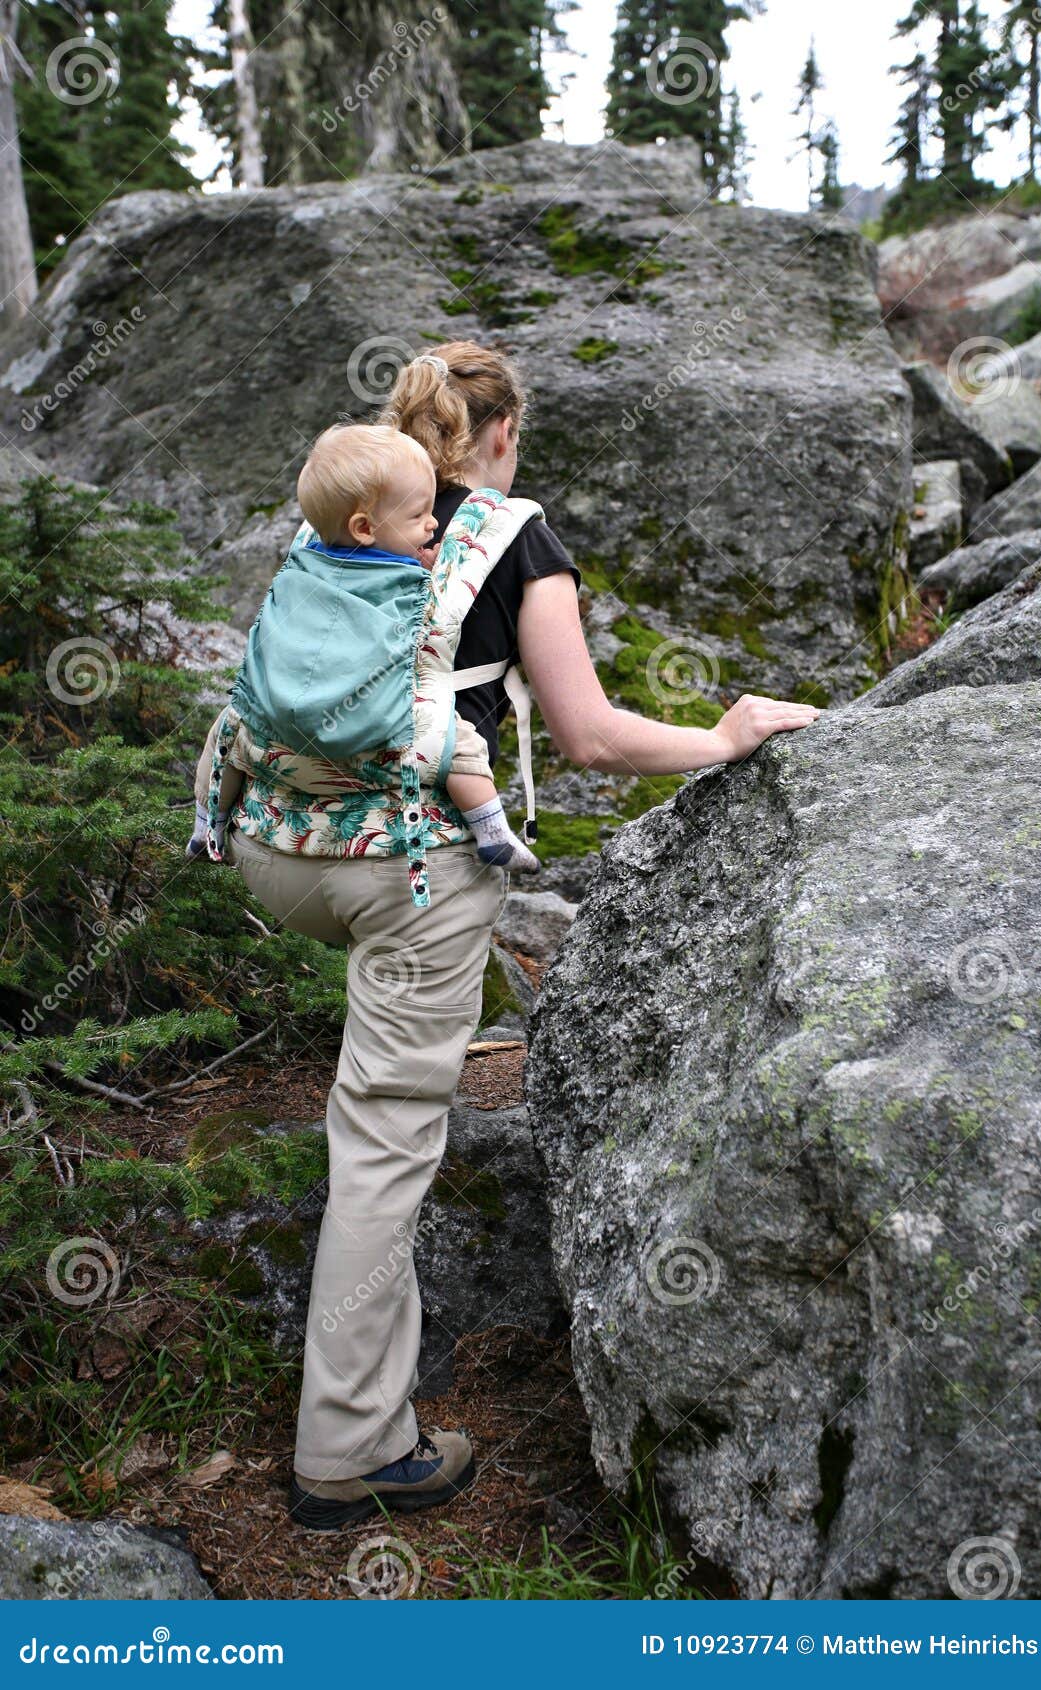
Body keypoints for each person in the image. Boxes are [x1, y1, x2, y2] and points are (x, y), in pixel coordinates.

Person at [211, 339, 820, 1531]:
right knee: (383, 1143)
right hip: (412, 866)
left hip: (276, 849)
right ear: (499, 436)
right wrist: (725, 734)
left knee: (374, 1071)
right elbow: (587, 735)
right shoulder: (515, 534)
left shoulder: (339, 515)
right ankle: (349, 1452)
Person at [187, 421, 539, 874]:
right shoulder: (404, 579)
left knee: (226, 731)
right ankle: (492, 831)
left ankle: (207, 824)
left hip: (284, 703)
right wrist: (426, 567)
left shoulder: (303, 566)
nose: (433, 523)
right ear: (364, 527)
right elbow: (420, 607)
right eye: (418, 516)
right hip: (370, 707)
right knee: (458, 743)